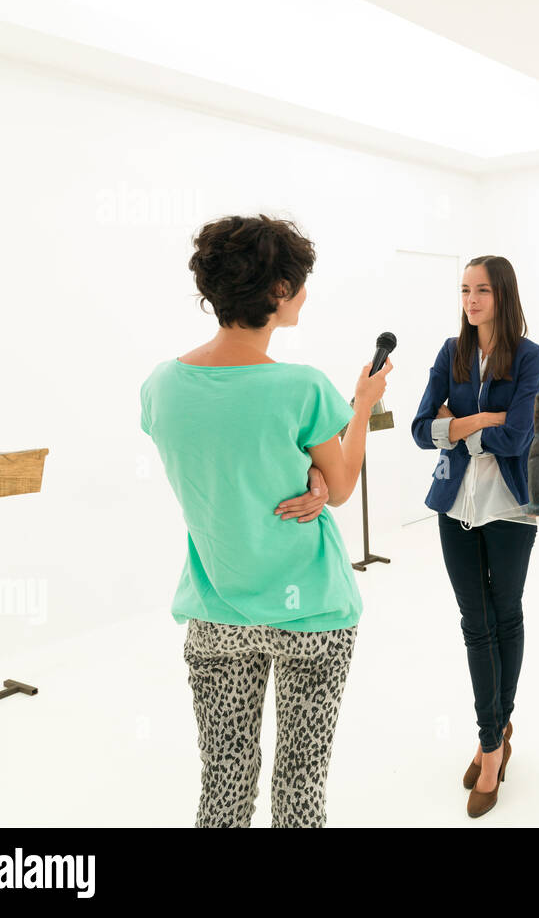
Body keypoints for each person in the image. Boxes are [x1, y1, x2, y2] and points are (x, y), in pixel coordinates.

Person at [139, 213, 392, 827]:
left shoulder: (160, 387)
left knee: (223, 790)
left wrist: (299, 468)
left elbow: (226, 464)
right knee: (299, 786)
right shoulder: (302, 388)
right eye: (299, 282)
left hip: (217, 610)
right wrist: (360, 409)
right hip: (314, 614)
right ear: (277, 292)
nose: (304, 292)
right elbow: (341, 490)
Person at [411, 255, 539, 818]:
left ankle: (491, 745)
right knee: (476, 623)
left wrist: (459, 426)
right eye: (465, 290)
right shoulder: (452, 352)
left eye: (482, 290)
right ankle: (495, 734)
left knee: (504, 615)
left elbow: (517, 438)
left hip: (510, 507)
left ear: (503, 295)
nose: (471, 300)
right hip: (454, 505)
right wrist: (478, 423)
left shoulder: (529, 356)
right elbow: (422, 430)